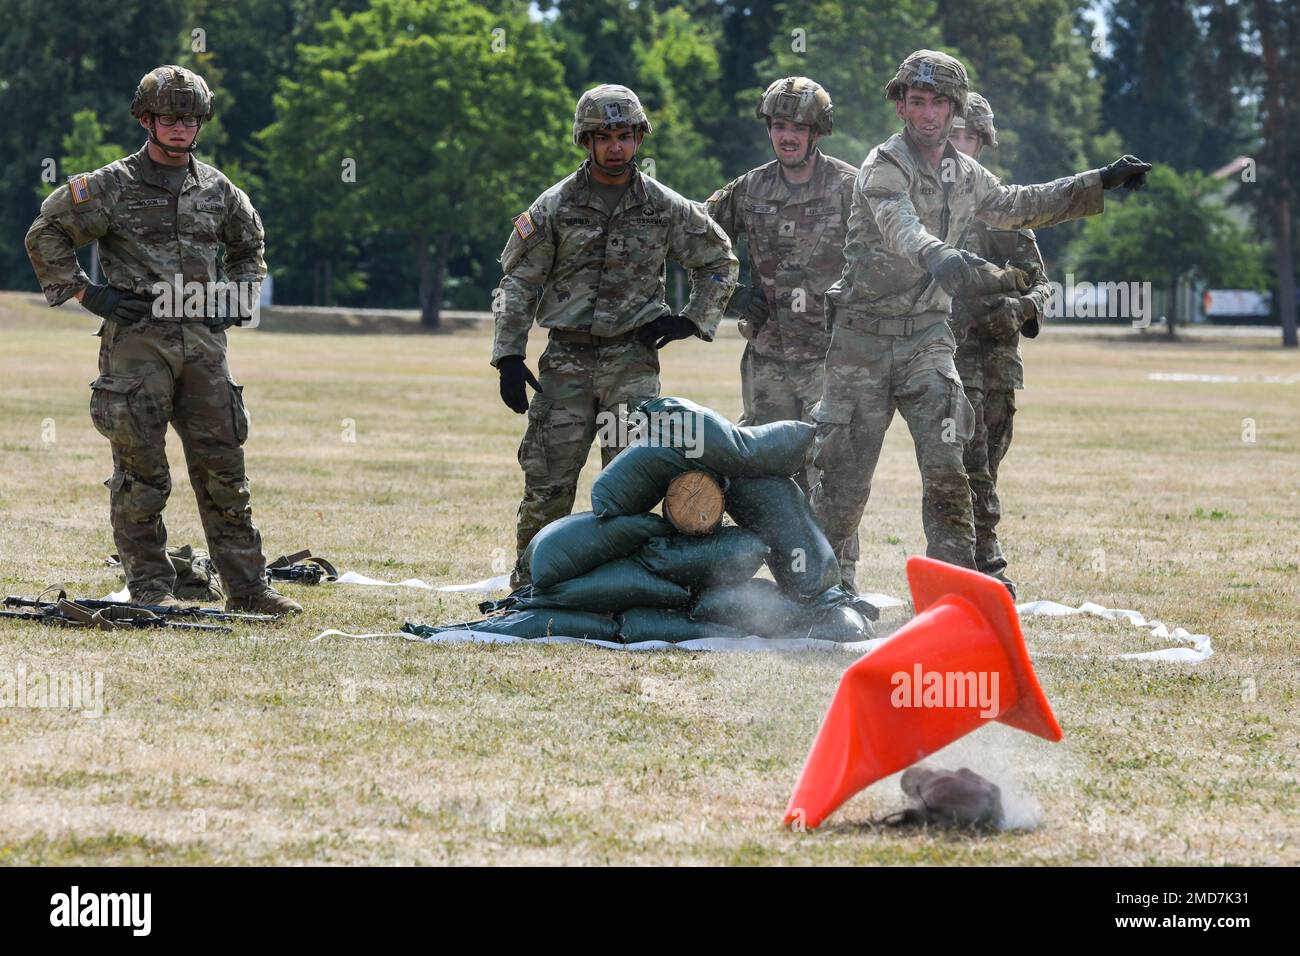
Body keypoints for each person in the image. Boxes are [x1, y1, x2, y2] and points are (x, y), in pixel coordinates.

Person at [810, 50, 1151, 572]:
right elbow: (900, 225)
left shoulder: (966, 174)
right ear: (901, 106)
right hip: (863, 342)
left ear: (955, 109)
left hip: (927, 339)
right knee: (844, 481)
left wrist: (1099, 180)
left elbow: (1017, 205)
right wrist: (940, 255)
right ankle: (822, 592)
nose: (929, 115)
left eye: (940, 105)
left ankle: (954, 591)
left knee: (950, 466)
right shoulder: (883, 166)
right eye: (918, 102)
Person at [24, 65, 301, 614]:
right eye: (169, 117)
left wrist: (238, 299)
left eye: (190, 118)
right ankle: (153, 587)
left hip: (202, 342)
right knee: (141, 473)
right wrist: (88, 294)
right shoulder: (110, 186)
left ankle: (248, 590)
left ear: (200, 123)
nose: (180, 126)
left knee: (224, 469)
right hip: (136, 344)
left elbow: (250, 246)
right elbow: (46, 233)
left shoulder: (218, 189)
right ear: (147, 120)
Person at [492, 84, 738, 588]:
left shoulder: (662, 206)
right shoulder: (556, 206)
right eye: (603, 137)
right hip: (566, 365)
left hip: (632, 366)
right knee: (548, 482)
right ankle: (529, 584)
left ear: (639, 138)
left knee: (626, 487)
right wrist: (510, 356)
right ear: (585, 140)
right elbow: (518, 281)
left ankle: (618, 586)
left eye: (625, 136)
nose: (615, 148)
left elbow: (719, 259)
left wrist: (691, 318)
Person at [706, 77, 861, 590]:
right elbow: (693, 235)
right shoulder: (750, 190)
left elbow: (886, 254)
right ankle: (778, 586)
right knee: (765, 474)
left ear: (817, 131)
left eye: (798, 126)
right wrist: (730, 293)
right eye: (778, 125)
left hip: (831, 358)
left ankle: (837, 584)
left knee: (831, 472)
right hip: (768, 357)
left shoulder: (849, 187)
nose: (787, 135)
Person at [946, 93, 1053, 598]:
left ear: (983, 143)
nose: (958, 145)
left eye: (968, 136)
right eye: (952, 135)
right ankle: (981, 566)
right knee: (961, 464)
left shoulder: (1003, 210)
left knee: (985, 463)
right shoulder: (922, 202)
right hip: (944, 355)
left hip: (997, 364)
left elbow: (1043, 286)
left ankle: (974, 566)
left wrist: (1020, 308)